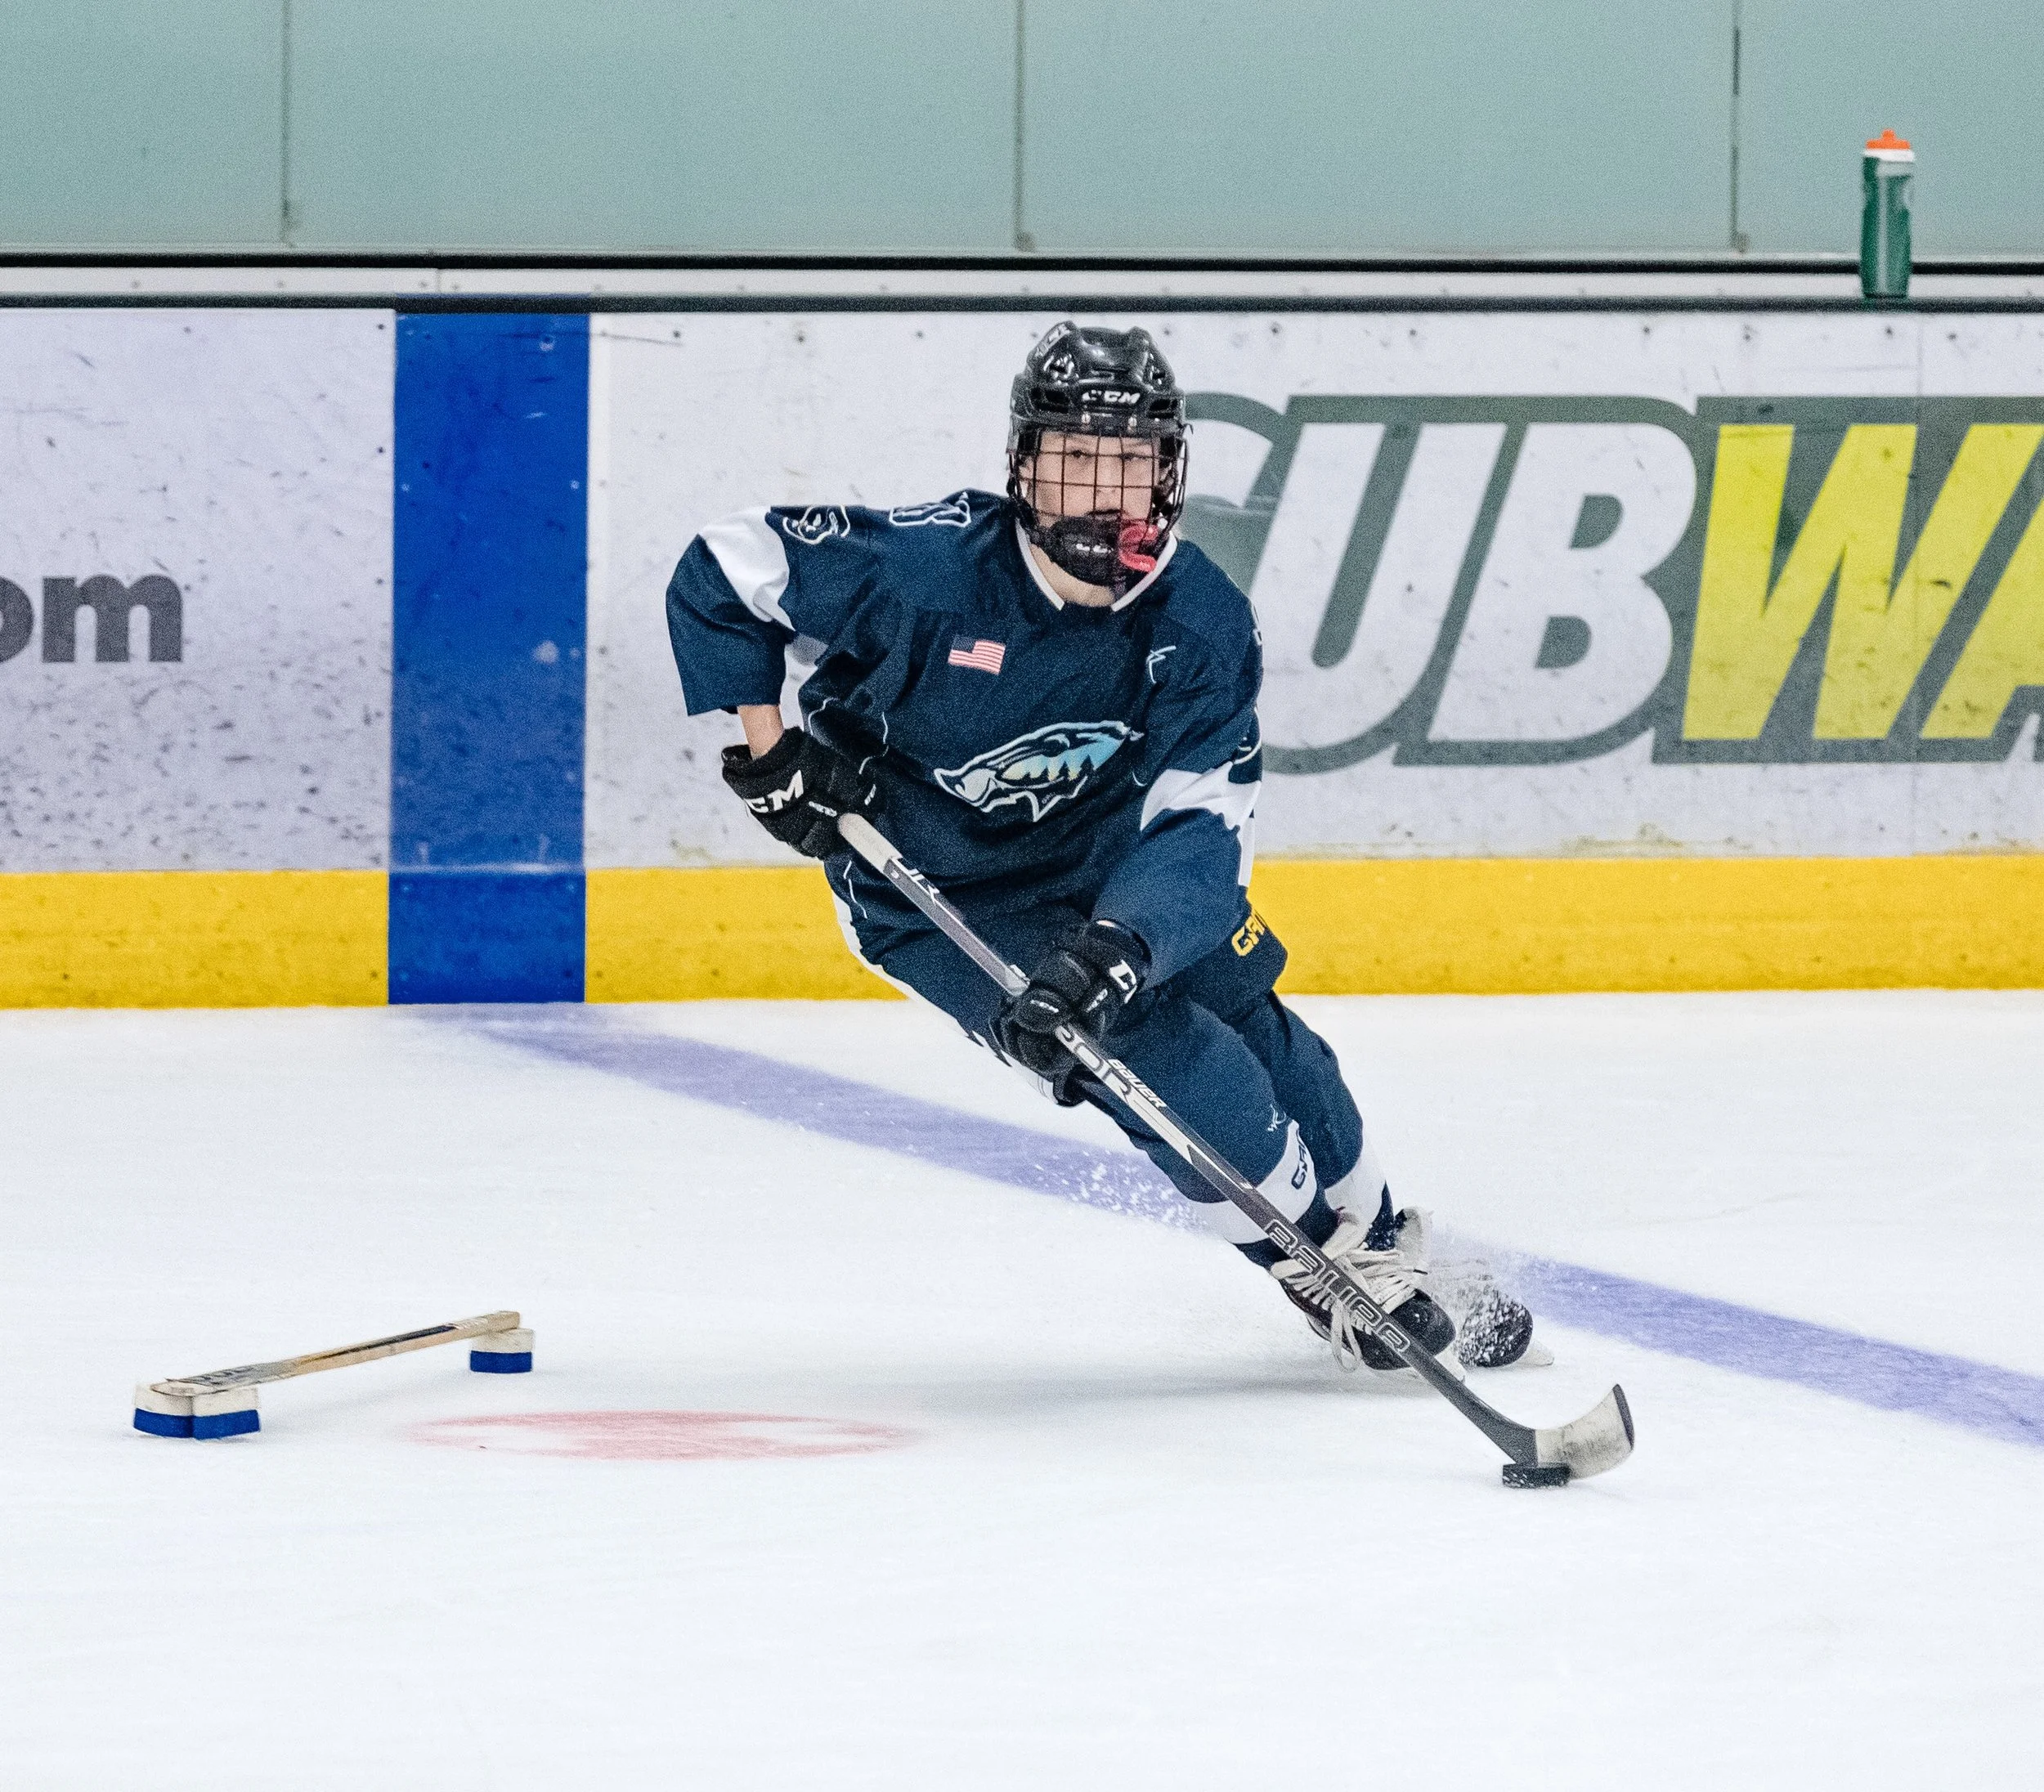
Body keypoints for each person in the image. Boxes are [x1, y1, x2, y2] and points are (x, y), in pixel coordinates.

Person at [664, 320, 1535, 1371]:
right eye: (1074, 462)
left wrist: (1124, 942)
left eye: (1127, 463)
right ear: (1024, 467)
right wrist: (773, 754)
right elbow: (724, 566)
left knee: (1261, 1034)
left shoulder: (1201, 619)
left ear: (1168, 473)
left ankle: (1383, 1247)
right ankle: (1318, 1270)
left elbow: (1200, 822)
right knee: (1155, 1059)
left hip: (1114, 868)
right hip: (944, 892)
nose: (1101, 493)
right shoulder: (927, 569)